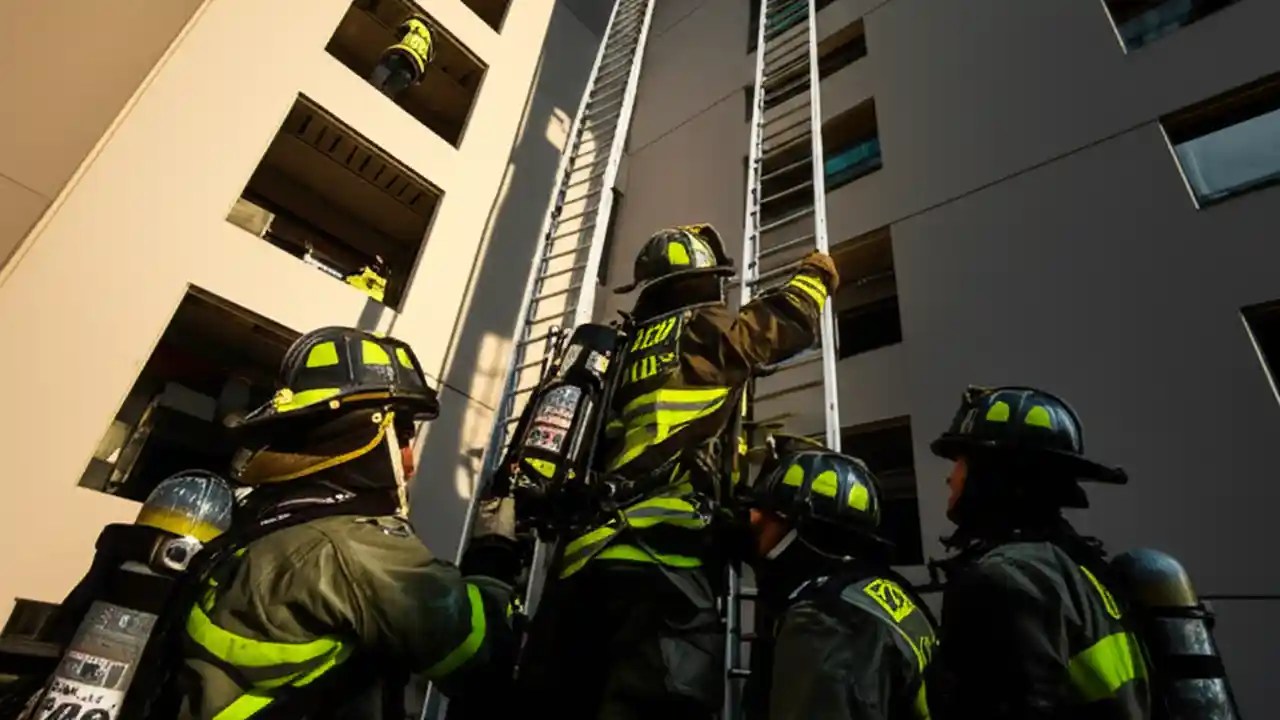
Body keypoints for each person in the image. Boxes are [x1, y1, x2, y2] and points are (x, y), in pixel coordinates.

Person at [514, 224, 840, 719]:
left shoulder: (614, 351)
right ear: (706, 277)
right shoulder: (707, 329)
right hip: (665, 565)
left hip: (579, 566)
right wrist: (814, 277)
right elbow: (783, 323)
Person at [179, 326, 522, 719]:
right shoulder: (350, 548)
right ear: (366, 430)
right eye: (404, 434)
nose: (409, 460)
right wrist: (494, 554)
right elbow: (479, 656)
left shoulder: (264, 517)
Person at [926, 385, 1150, 719]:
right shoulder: (1077, 566)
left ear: (993, 475)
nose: (950, 477)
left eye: (961, 462)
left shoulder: (1002, 582)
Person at [742, 433, 937, 720]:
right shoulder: (887, 594)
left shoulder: (825, 619)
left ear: (801, 527)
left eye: (768, 513)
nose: (753, 520)